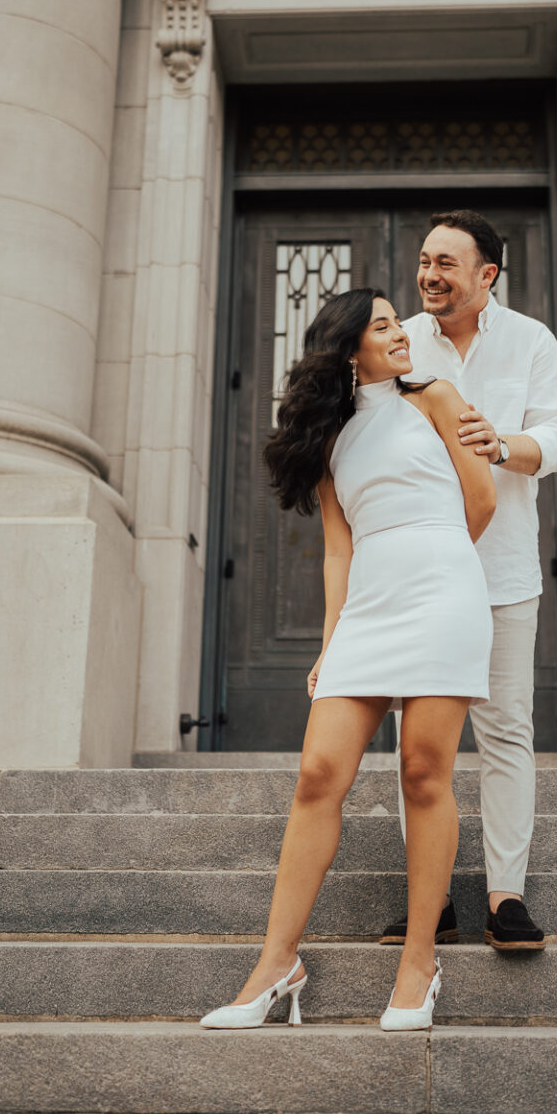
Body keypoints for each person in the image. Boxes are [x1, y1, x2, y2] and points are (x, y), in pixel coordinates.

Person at [200, 288, 495, 1031]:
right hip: (369, 607)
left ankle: (419, 962)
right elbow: (338, 545)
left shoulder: (435, 398)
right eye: (385, 325)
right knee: (317, 774)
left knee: (424, 773)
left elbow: (482, 499)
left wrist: (435, 562)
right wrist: (331, 643)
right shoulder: (330, 436)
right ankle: (276, 964)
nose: (403, 333)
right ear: (348, 346)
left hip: (440, 587)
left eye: (400, 323)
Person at [380, 210, 557, 951]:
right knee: (417, 740)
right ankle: (430, 902)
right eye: (425, 261)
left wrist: (504, 444)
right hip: (421, 573)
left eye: (446, 264)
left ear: (486, 275)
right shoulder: (396, 340)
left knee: (505, 733)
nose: (429, 275)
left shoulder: (531, 341)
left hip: (504, 571)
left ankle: (506, 897)